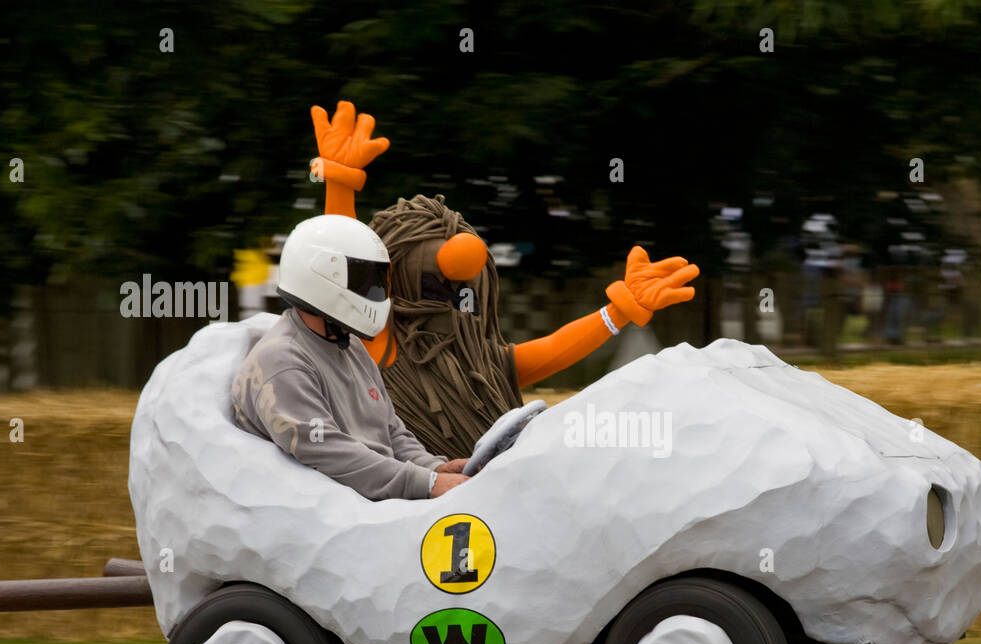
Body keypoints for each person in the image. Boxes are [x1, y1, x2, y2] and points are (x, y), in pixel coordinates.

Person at [308, 101, 700, 459]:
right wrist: (339, 184)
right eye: (434, 287)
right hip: (420, 502)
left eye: (457, 291)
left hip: (500, 495)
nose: (452, 298)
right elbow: (348, 269)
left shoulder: (482, 359)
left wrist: (618, 311)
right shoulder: (380, 345)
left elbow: (552, 350)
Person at [231, 214, 469, 500]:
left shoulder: (349, 345)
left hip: (367, 507)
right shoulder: (282, 360)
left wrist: (434, 468)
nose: (375, 291)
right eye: (364, 280)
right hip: (325, 518)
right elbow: (328, 453)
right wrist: (424, 483)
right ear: (322, 275)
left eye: (378, 279)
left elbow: (390, 429)